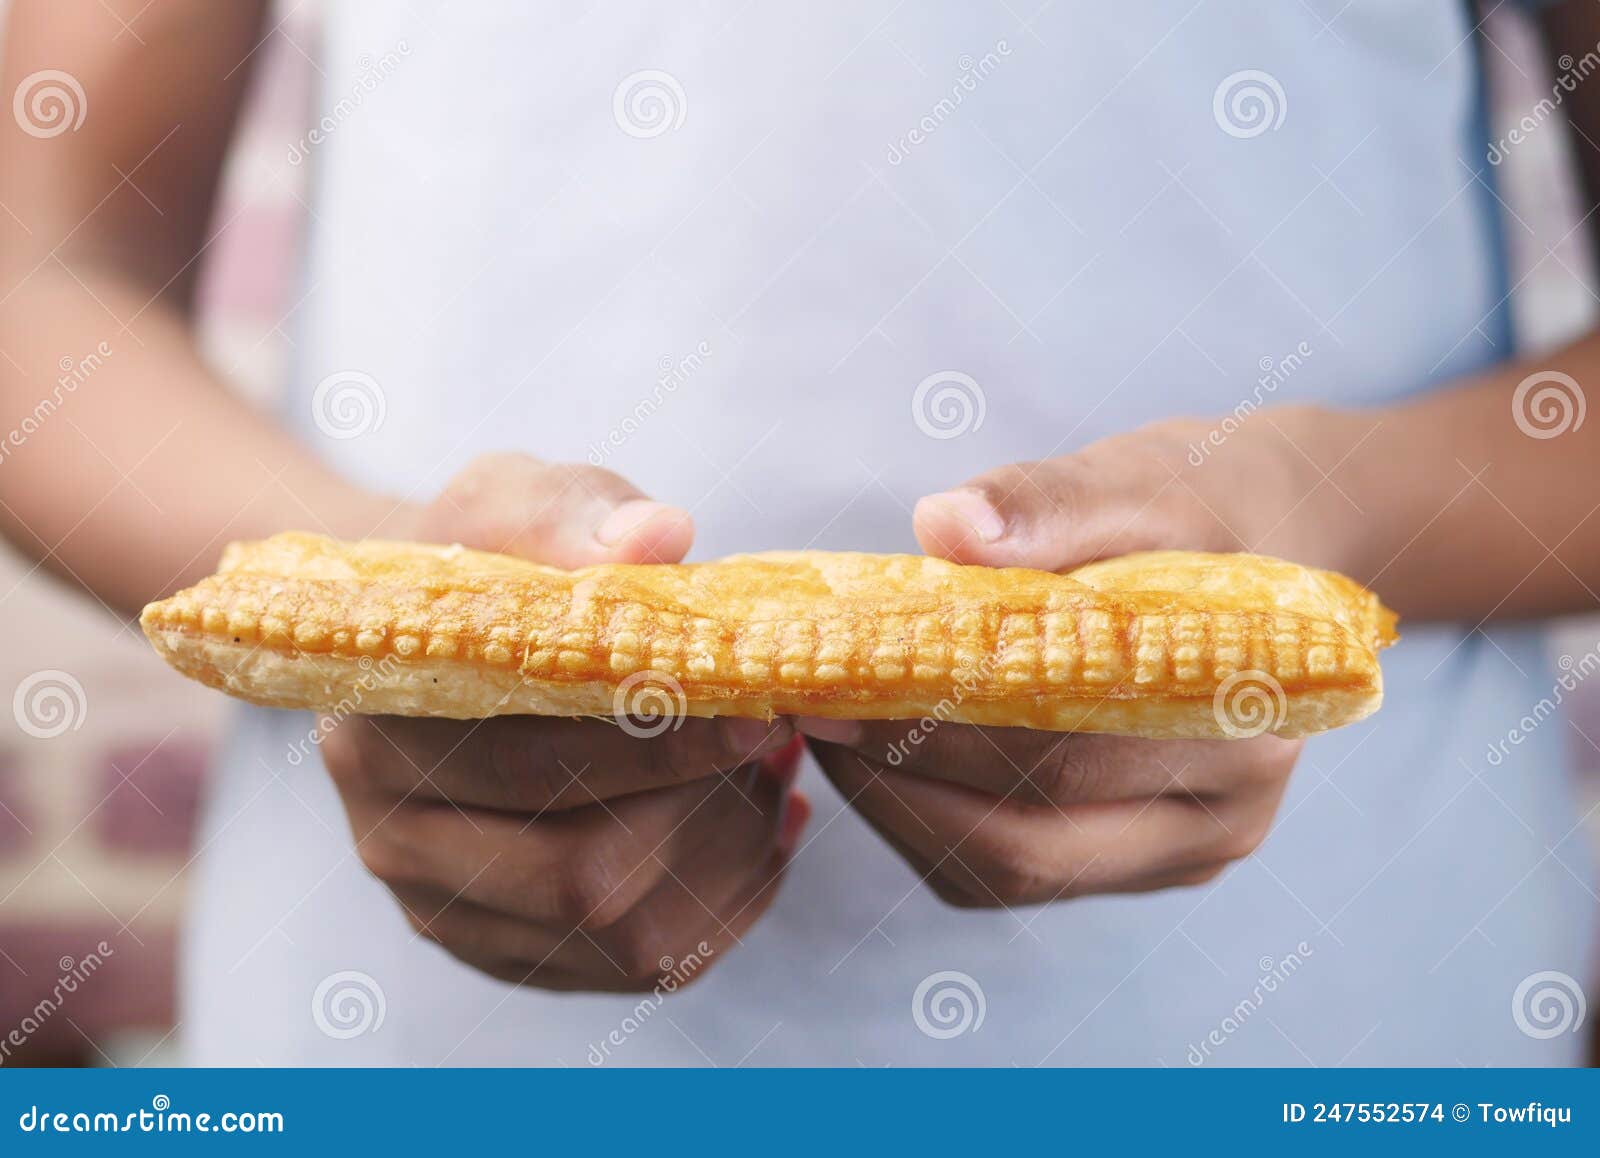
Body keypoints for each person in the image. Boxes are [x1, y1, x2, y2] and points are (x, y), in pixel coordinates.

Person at [2, 0, 1595, 1065]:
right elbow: (33, 272)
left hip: (1324, 1017)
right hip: (423, 1043)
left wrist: (1331, 510)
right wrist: (382, 577)